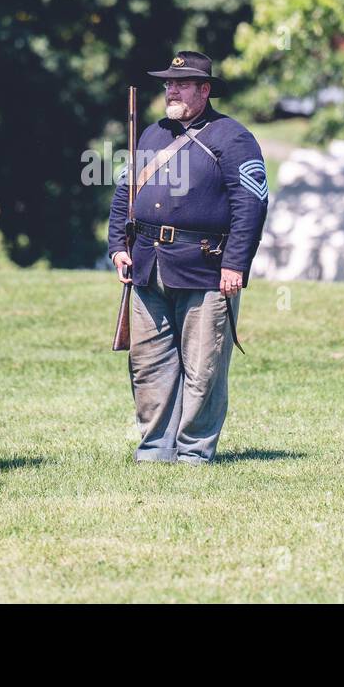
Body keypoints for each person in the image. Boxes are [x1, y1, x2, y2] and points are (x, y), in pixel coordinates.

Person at [107, 51, 268, 465]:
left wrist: (235, 264)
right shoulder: (151, 135)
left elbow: (251, 205)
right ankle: (155, 448)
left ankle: (194, 451)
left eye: (181, 84)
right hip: (147, 264)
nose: (171, 90)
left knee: (203, 369)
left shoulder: (233, 137)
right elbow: (126, 192)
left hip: (205, 266)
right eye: (168, 84)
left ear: (205, 90)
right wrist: (117, 246)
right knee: (148, 365)